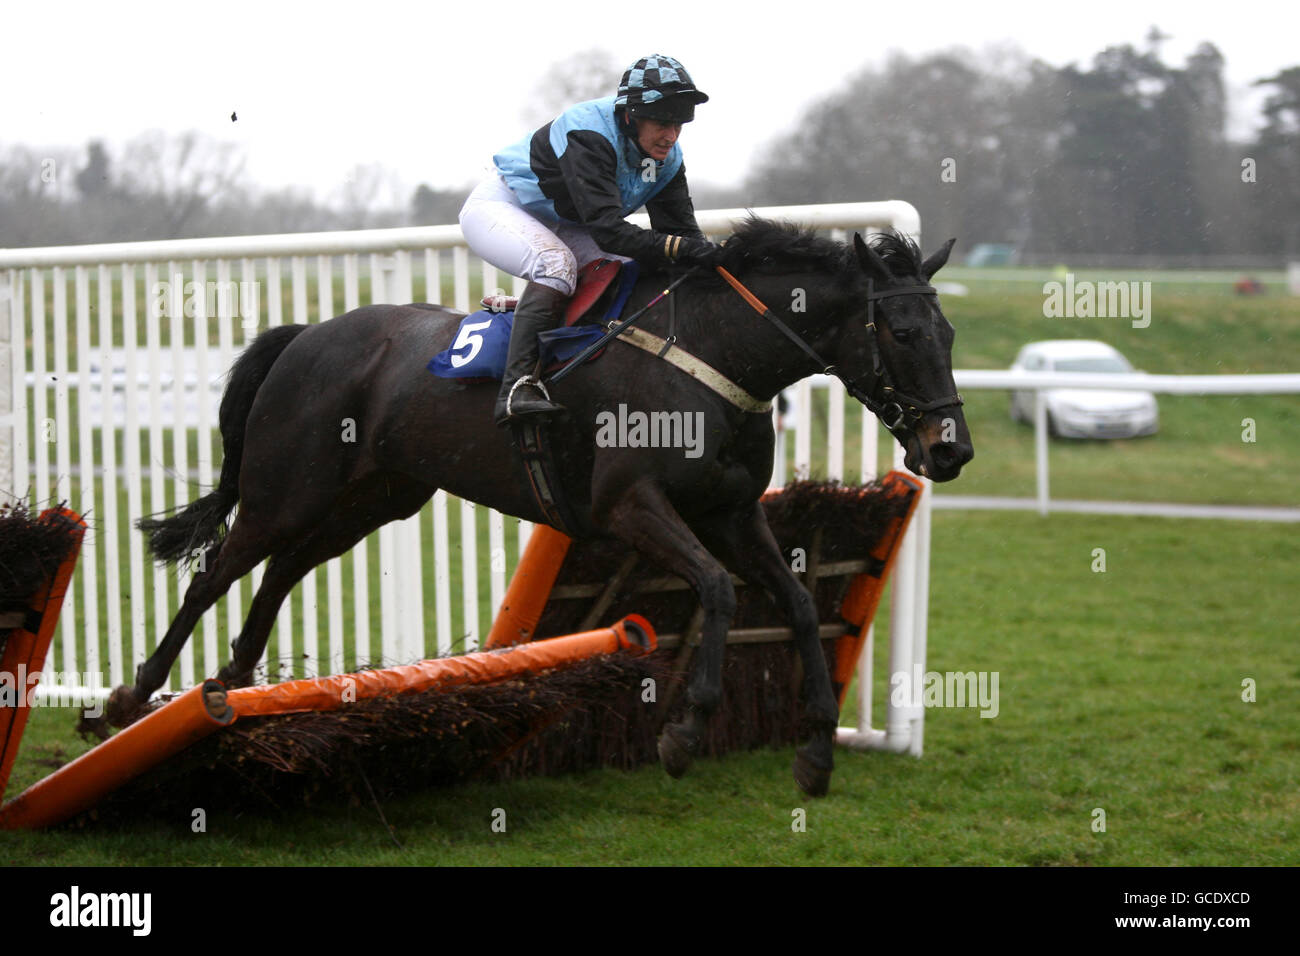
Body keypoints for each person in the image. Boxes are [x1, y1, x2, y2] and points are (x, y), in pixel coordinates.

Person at [459, 54, 722, 425]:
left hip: (567, 221)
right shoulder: (590, 133)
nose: (672, 135)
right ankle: (516, 390)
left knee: (628, 271)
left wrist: (717, 261)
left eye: (679, 123)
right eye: (663, 122)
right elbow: (609, 230)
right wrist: (684, 249)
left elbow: (679, 233)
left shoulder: (668, 158)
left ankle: (556, 333)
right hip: (504, 206)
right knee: (555, 265)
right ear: (630, 115)